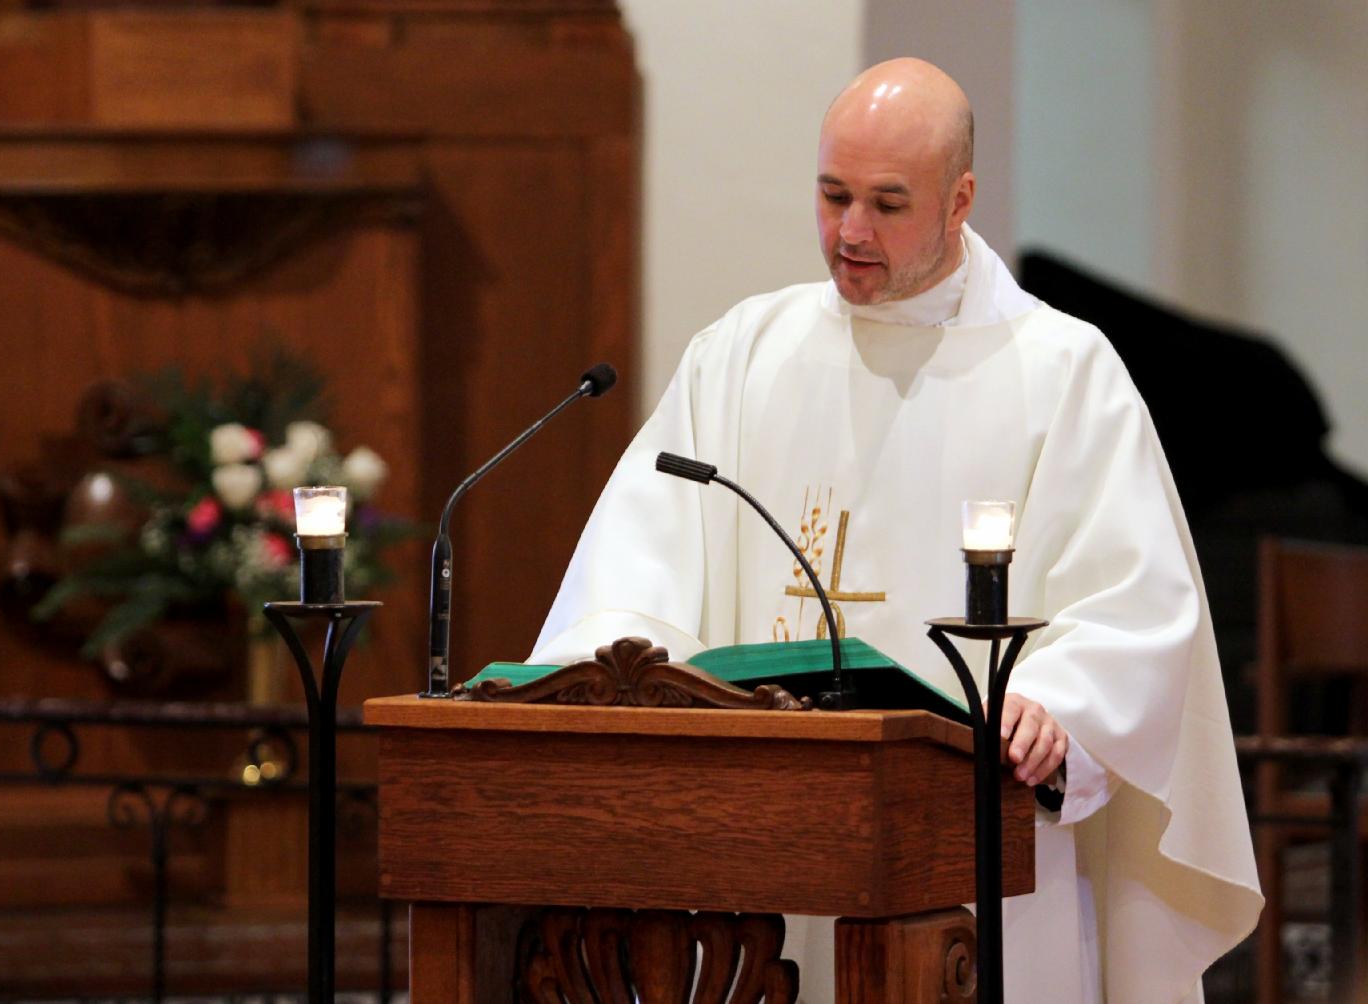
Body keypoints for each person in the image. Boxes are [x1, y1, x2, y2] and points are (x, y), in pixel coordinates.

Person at [528, 58, 1262, 1003]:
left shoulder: (1062, 371)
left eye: (887, 203)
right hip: (762, 851)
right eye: (833, 196)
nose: (850, 232)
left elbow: (1137, 606)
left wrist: (1058, 706)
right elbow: (636, 566)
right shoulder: (742, 356)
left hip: (974, 845)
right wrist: (616, 673)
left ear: (960, 201)